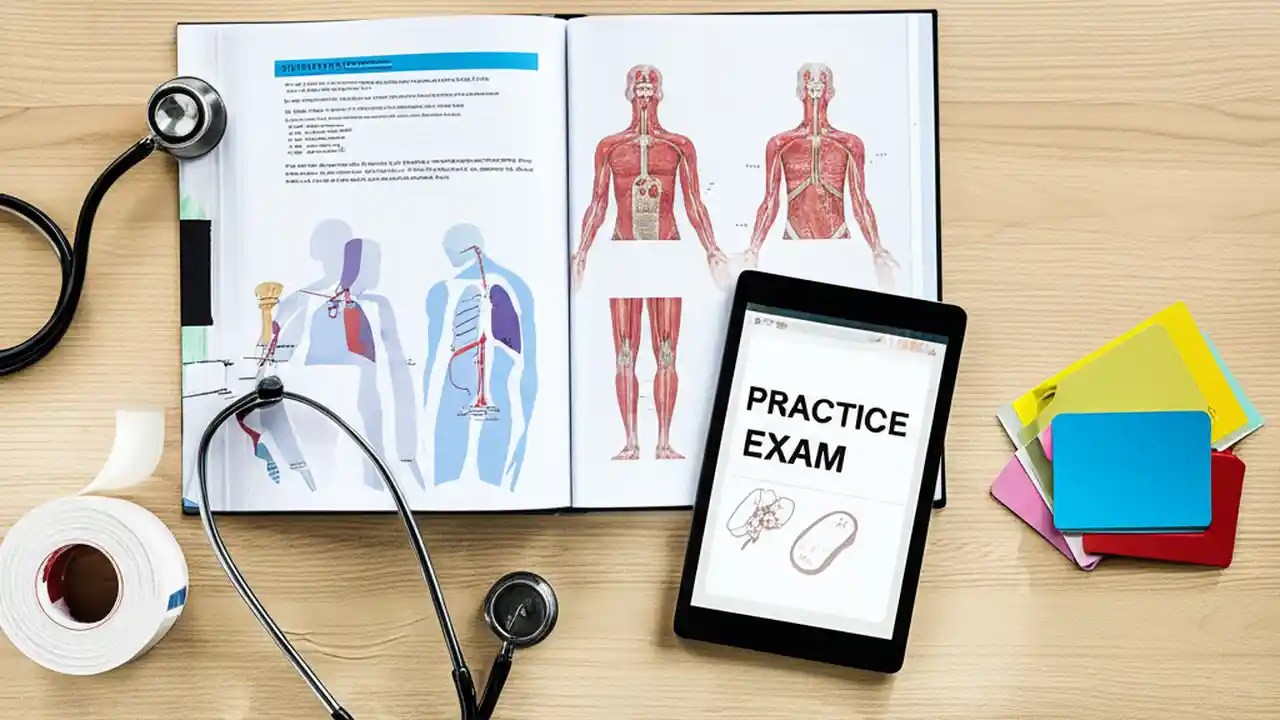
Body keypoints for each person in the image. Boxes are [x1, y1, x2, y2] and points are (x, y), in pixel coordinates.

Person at [570, 64, 727, 461]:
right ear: (627, 91)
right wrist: (582, 252)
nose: (643, 89)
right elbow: (598, 202)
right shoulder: (609, 146)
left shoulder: (678, 146)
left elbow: (693, 201)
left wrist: (712, 249)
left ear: (659, 92)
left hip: (667, 250)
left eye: (649, 84)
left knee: (667, 351)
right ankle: (630, 441)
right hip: (623, 251)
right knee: (624, 351)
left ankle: (662, 441)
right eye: (637, 83)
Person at [744, 63, 899, 290]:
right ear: (799, 92)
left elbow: (860, 200)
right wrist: (754, 249)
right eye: (809, 83)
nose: (815, 87)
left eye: (821, 82)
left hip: (838, 243)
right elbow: (770, 200)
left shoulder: (849, 144)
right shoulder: (780, 144)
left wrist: (876, 248)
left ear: (831, 92)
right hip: (794, 243)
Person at [423, 223, 537, 489]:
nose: (447, 255)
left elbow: (434, 356)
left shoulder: (445, 290)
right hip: (502, 387)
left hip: (462, 384)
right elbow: (528, 356)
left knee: (452, 466)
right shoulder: (518, 284)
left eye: (448, 250)